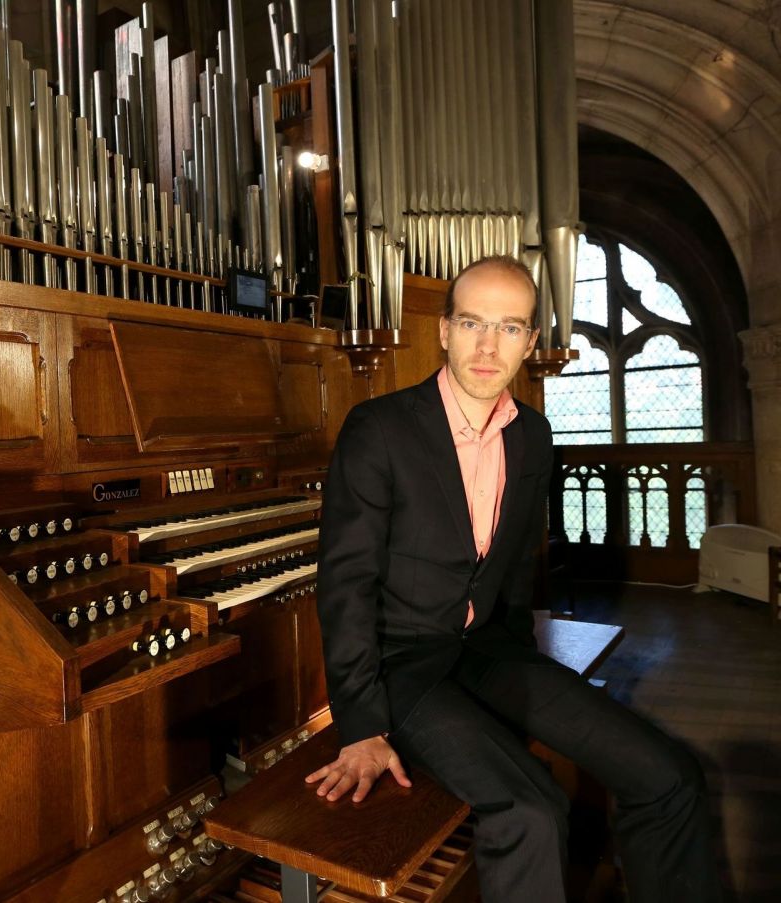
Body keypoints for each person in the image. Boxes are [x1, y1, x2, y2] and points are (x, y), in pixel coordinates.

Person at [306, 256, 720, 902]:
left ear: (530, 342)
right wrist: (361, 723)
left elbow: (515, 566)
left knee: (670, 775)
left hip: (489, 651)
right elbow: (345, 585)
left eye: (508, 327)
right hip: (403, 664)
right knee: (531, 811)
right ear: (443, 329)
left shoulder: (533, 435)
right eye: (472, 322)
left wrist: (524, 680)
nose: (487, 345)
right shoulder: (379, 429)